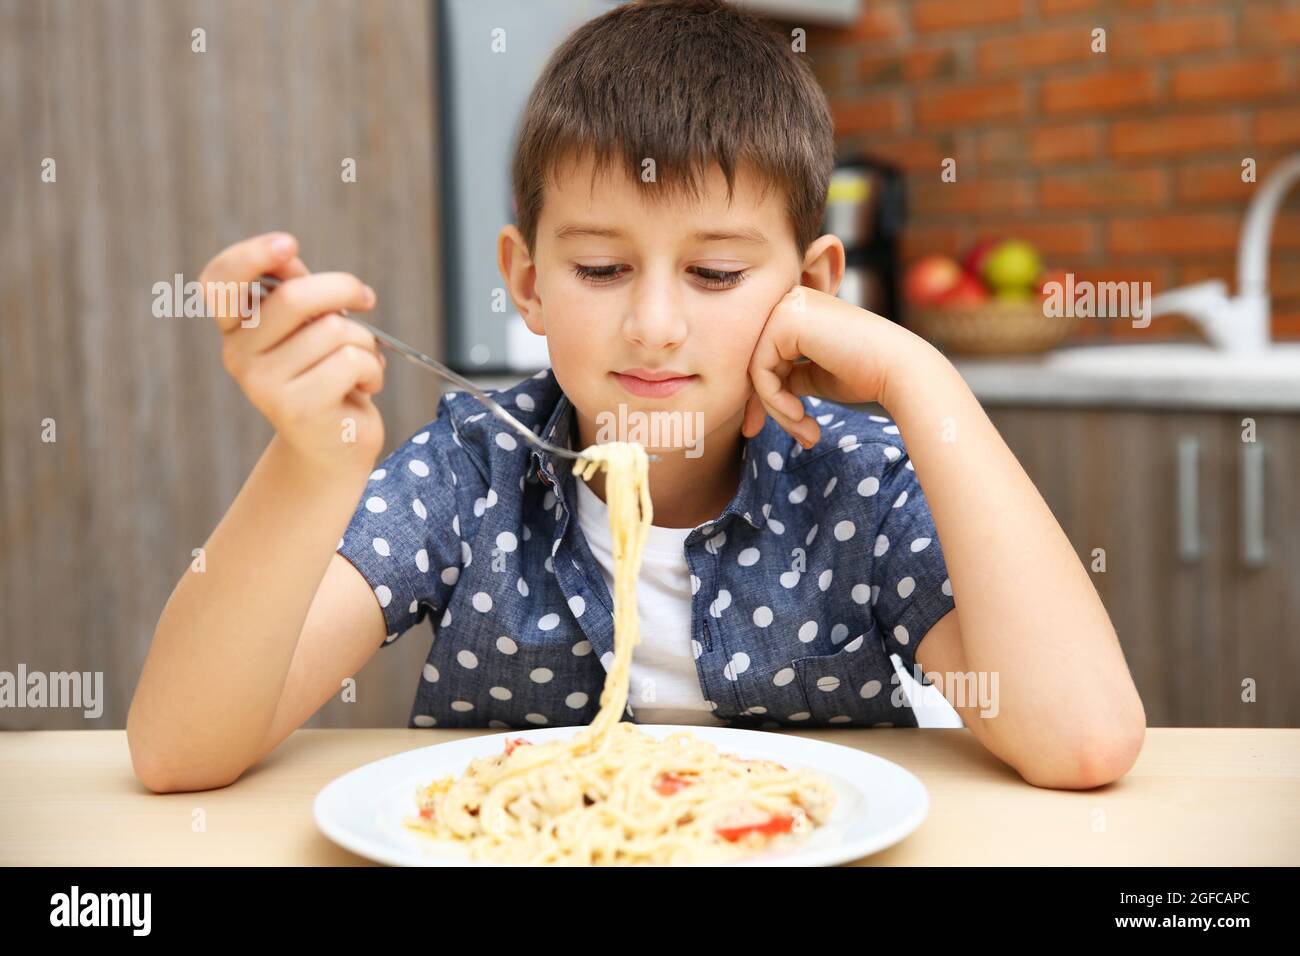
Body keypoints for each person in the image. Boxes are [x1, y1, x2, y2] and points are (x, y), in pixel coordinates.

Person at [128, 0, 1145, 795]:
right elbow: (181, 749)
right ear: (525, 279)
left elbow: (1082, 736)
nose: (654, 323)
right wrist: (311, 465)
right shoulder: (469, 466)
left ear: (814, 287)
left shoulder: (858, 480)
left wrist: (922, 379)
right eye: (603, 268)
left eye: (713, 274)